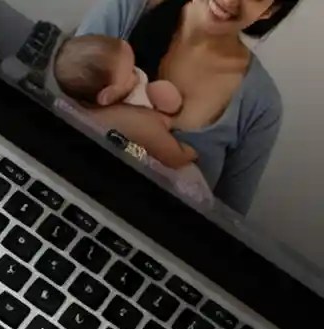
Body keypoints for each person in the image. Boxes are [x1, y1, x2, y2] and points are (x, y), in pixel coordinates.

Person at [74, 0, 297, 215]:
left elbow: (227, 225)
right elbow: (56, 109)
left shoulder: (261, 103)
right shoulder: (127, 8)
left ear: (270, 10)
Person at [53, 34, 197, 168]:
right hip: (149, 161)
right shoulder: (132, 124)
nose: (136, 74)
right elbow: (168, 156)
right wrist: (187, 153)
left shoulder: (82, 100)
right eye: (130, 74)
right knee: (150, 159)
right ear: (107, 96)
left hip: (131, 148)